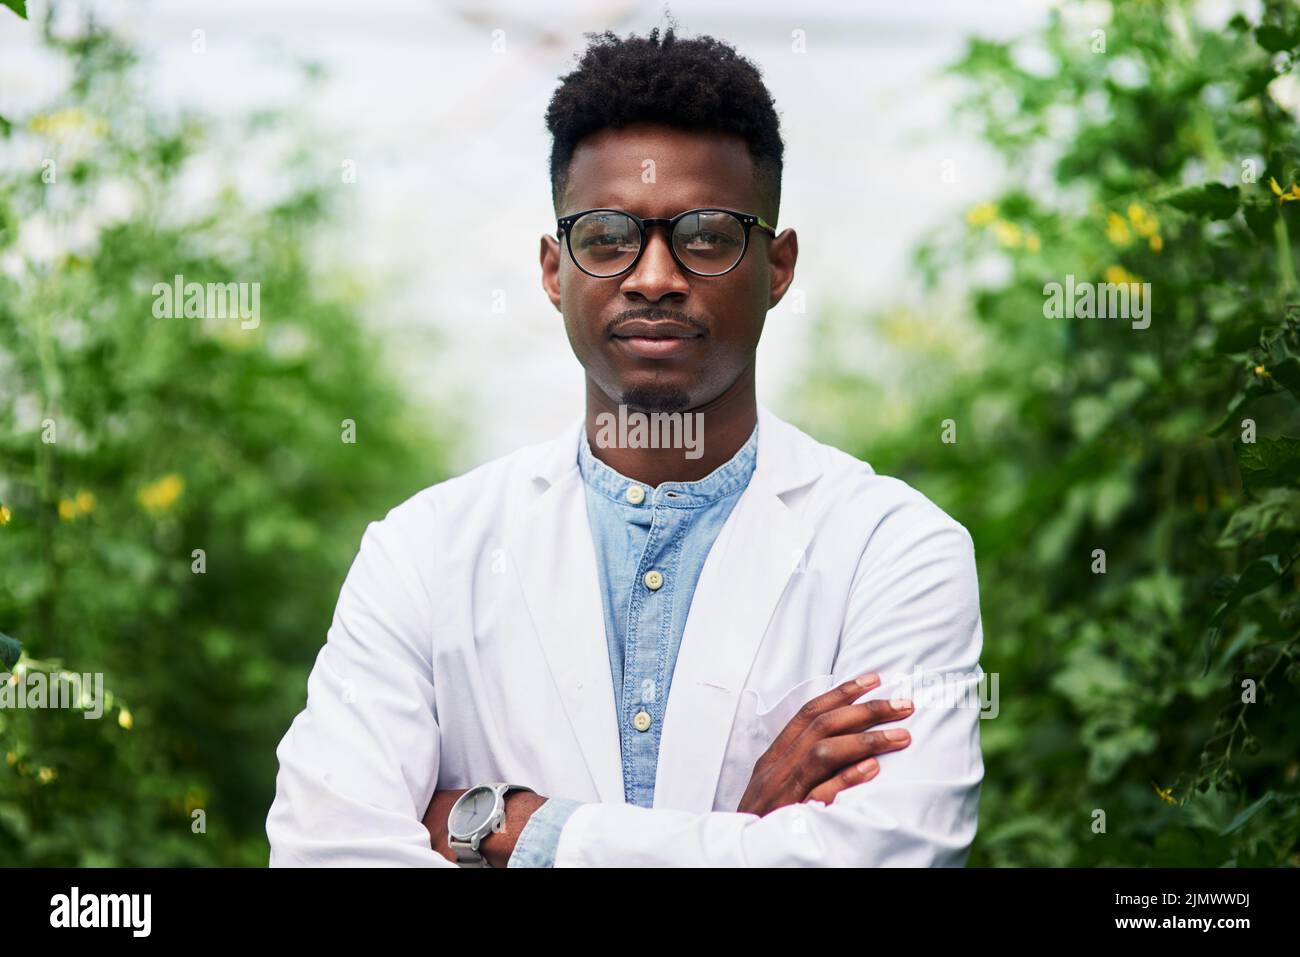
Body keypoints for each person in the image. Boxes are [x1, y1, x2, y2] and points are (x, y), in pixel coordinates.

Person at [266, 24, 985, 868]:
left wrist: (521, 830)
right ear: (552, 268)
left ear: (779, 267)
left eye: (707, 235)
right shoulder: (422, 554)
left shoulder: (895, 550)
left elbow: (894, 853)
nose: (653, 276)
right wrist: (747, 835)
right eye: (607, 236)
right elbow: (326, 852)